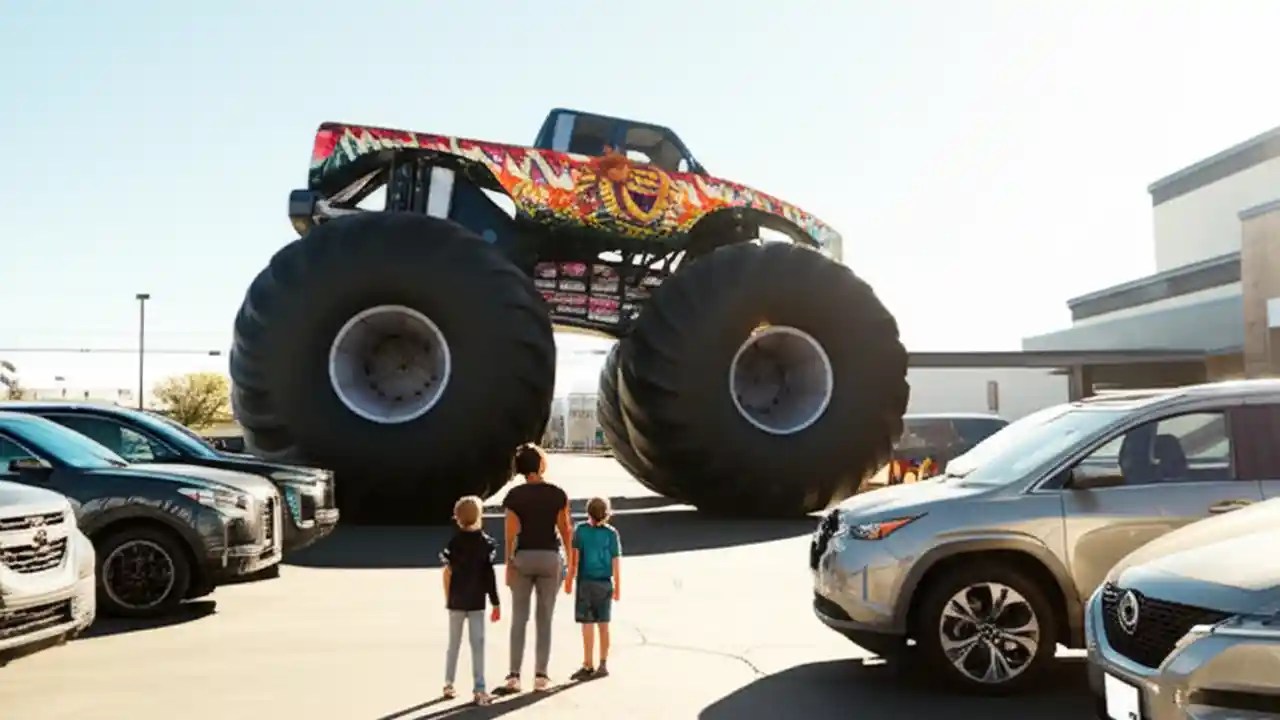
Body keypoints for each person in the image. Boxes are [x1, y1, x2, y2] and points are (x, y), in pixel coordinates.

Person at [498, 443, 572, 694]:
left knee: (519, 618)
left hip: (524, 557)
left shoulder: (514, 497)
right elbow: (565, 530)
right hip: (550, 557)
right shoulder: (557, 494)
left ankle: (514, 676)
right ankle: (541, 676)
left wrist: (509, 564)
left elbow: (510, 535)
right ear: (540, 464)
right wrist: (570, 563)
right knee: (545, 618)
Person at [439, 495, 502, 705]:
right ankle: (479, 688)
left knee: (453, 644)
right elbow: (489, 575)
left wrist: (448, 596)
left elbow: (447, 571)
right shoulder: (486, 543)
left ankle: (448, 683)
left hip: (456, 600)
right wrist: (495, 601)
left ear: (457, 518)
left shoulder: (454, 543)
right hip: (477, 601)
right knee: (478, 644)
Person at [565, 496, 622, 680]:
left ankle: (588, 662)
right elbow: (615, 561)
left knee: (587, 625)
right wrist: (618, 586)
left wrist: (569, 579)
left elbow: (575, 560)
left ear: (588, 512)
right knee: (604, 625)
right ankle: (603, 662)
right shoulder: (611, 533)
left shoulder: (580, 531)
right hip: (605, 582)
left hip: (585, 582)